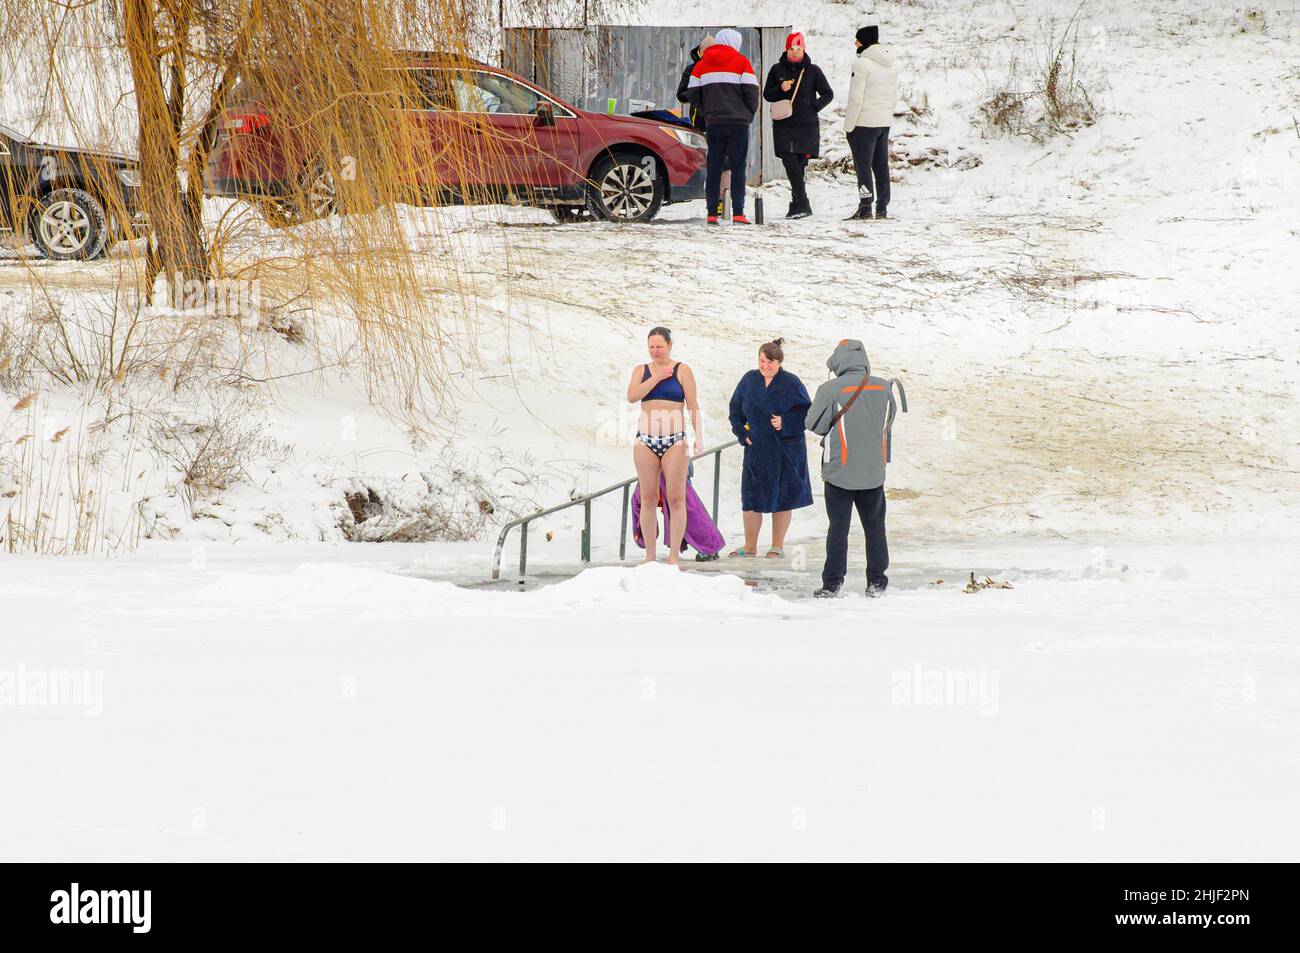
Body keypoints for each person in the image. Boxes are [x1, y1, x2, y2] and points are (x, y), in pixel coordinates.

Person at [805, 339, 898, 596]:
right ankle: (877, 581)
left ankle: (832, 583)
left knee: (838, 528)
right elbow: (887, 422)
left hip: (840, 471)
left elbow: (813, 424)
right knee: (875, 528)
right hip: (873, 471)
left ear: (838, 362)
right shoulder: (883, 387)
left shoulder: (830, 389)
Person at [727, 339, 813, 558]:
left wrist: (786, 422)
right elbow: (735, 409)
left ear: (779, 362)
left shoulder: (791, 382)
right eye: (762, 361)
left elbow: (807, 412)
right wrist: (742, 433)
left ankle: (777, 546)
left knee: (782, 497)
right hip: (756, 449)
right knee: (750, 498)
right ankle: (750, 546)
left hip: (785, 450)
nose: (765, 366)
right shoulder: (749, 380)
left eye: (770, 362)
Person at [627, 327, 702, 567]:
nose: (655, 351)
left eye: (659, 346)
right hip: (645, 441)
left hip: (674, 441)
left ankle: (673, 557)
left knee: (676, 498)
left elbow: (693, 405)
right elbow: (632, 396)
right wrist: (657, 377)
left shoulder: (682, 370)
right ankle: (650, 556)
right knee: (648, 498)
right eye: (651, 346)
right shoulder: (641, 370)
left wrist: (698, 437)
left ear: (669, 345)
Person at [687, 27, 760, 225]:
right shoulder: (742, 62)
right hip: (738, 124)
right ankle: (738, 213)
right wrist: (747, 114)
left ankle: (712, 213)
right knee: (738, 168)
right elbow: (752, 93)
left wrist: (707, 111)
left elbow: (692, 93)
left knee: (714, 168)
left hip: (714, 123)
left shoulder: (701, 64)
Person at [762, 31, 833, 219]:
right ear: (786, 50)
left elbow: (828, 93)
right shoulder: (777, 69)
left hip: (806, 124)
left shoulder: (813, 70)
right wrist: (781, 88)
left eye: (798, 48)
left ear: (804, 50)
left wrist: (814, 107)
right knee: (789, 161)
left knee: (800, 165)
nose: (795, 52)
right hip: (784, 123)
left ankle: (796, 205)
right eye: (792, 48)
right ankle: (803, 202)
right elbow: (767, 94)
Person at [842, 25, 900, 221]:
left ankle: (865, 206)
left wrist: (849, 125)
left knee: (863, 166)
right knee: (881, 165)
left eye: (857, 39)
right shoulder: (892, 64)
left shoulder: (861, 64)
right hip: (883, 121)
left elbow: (855, 98)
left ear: (864, 41)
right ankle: (882, 207)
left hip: (863, 123)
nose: (855, 43)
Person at [675, 36, 713, 131]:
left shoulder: (720, 68)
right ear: (700, 52)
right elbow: (681, 95)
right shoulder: (691, 69)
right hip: (698, 122)